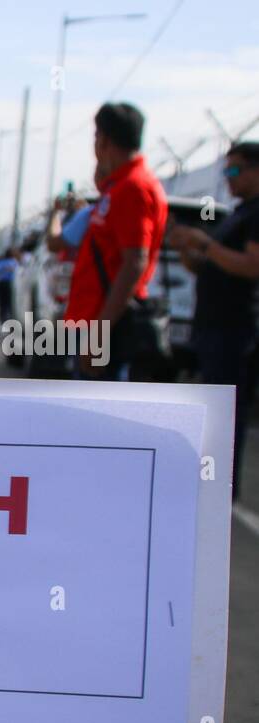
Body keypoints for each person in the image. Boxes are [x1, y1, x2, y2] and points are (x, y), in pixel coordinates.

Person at [170, 140, 259, 498]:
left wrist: (204, 243)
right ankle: (210, 485)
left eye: (235, 170)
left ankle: (219, 492)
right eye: (226, 171)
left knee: (225, 420)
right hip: (213, 329)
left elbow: (252, 266)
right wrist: (187, 248)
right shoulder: (239, 213)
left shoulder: (255, 216)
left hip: (234, 332)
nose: (229, 178)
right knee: (211, 416)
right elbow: (208, 268)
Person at [62, 102, 168, 382]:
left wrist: (99, 334)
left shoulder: (133, 188)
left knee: (92, 419)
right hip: (95, 322)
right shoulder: (120, 185)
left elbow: (135, 262)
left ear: (104, 139)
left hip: (107, 329)